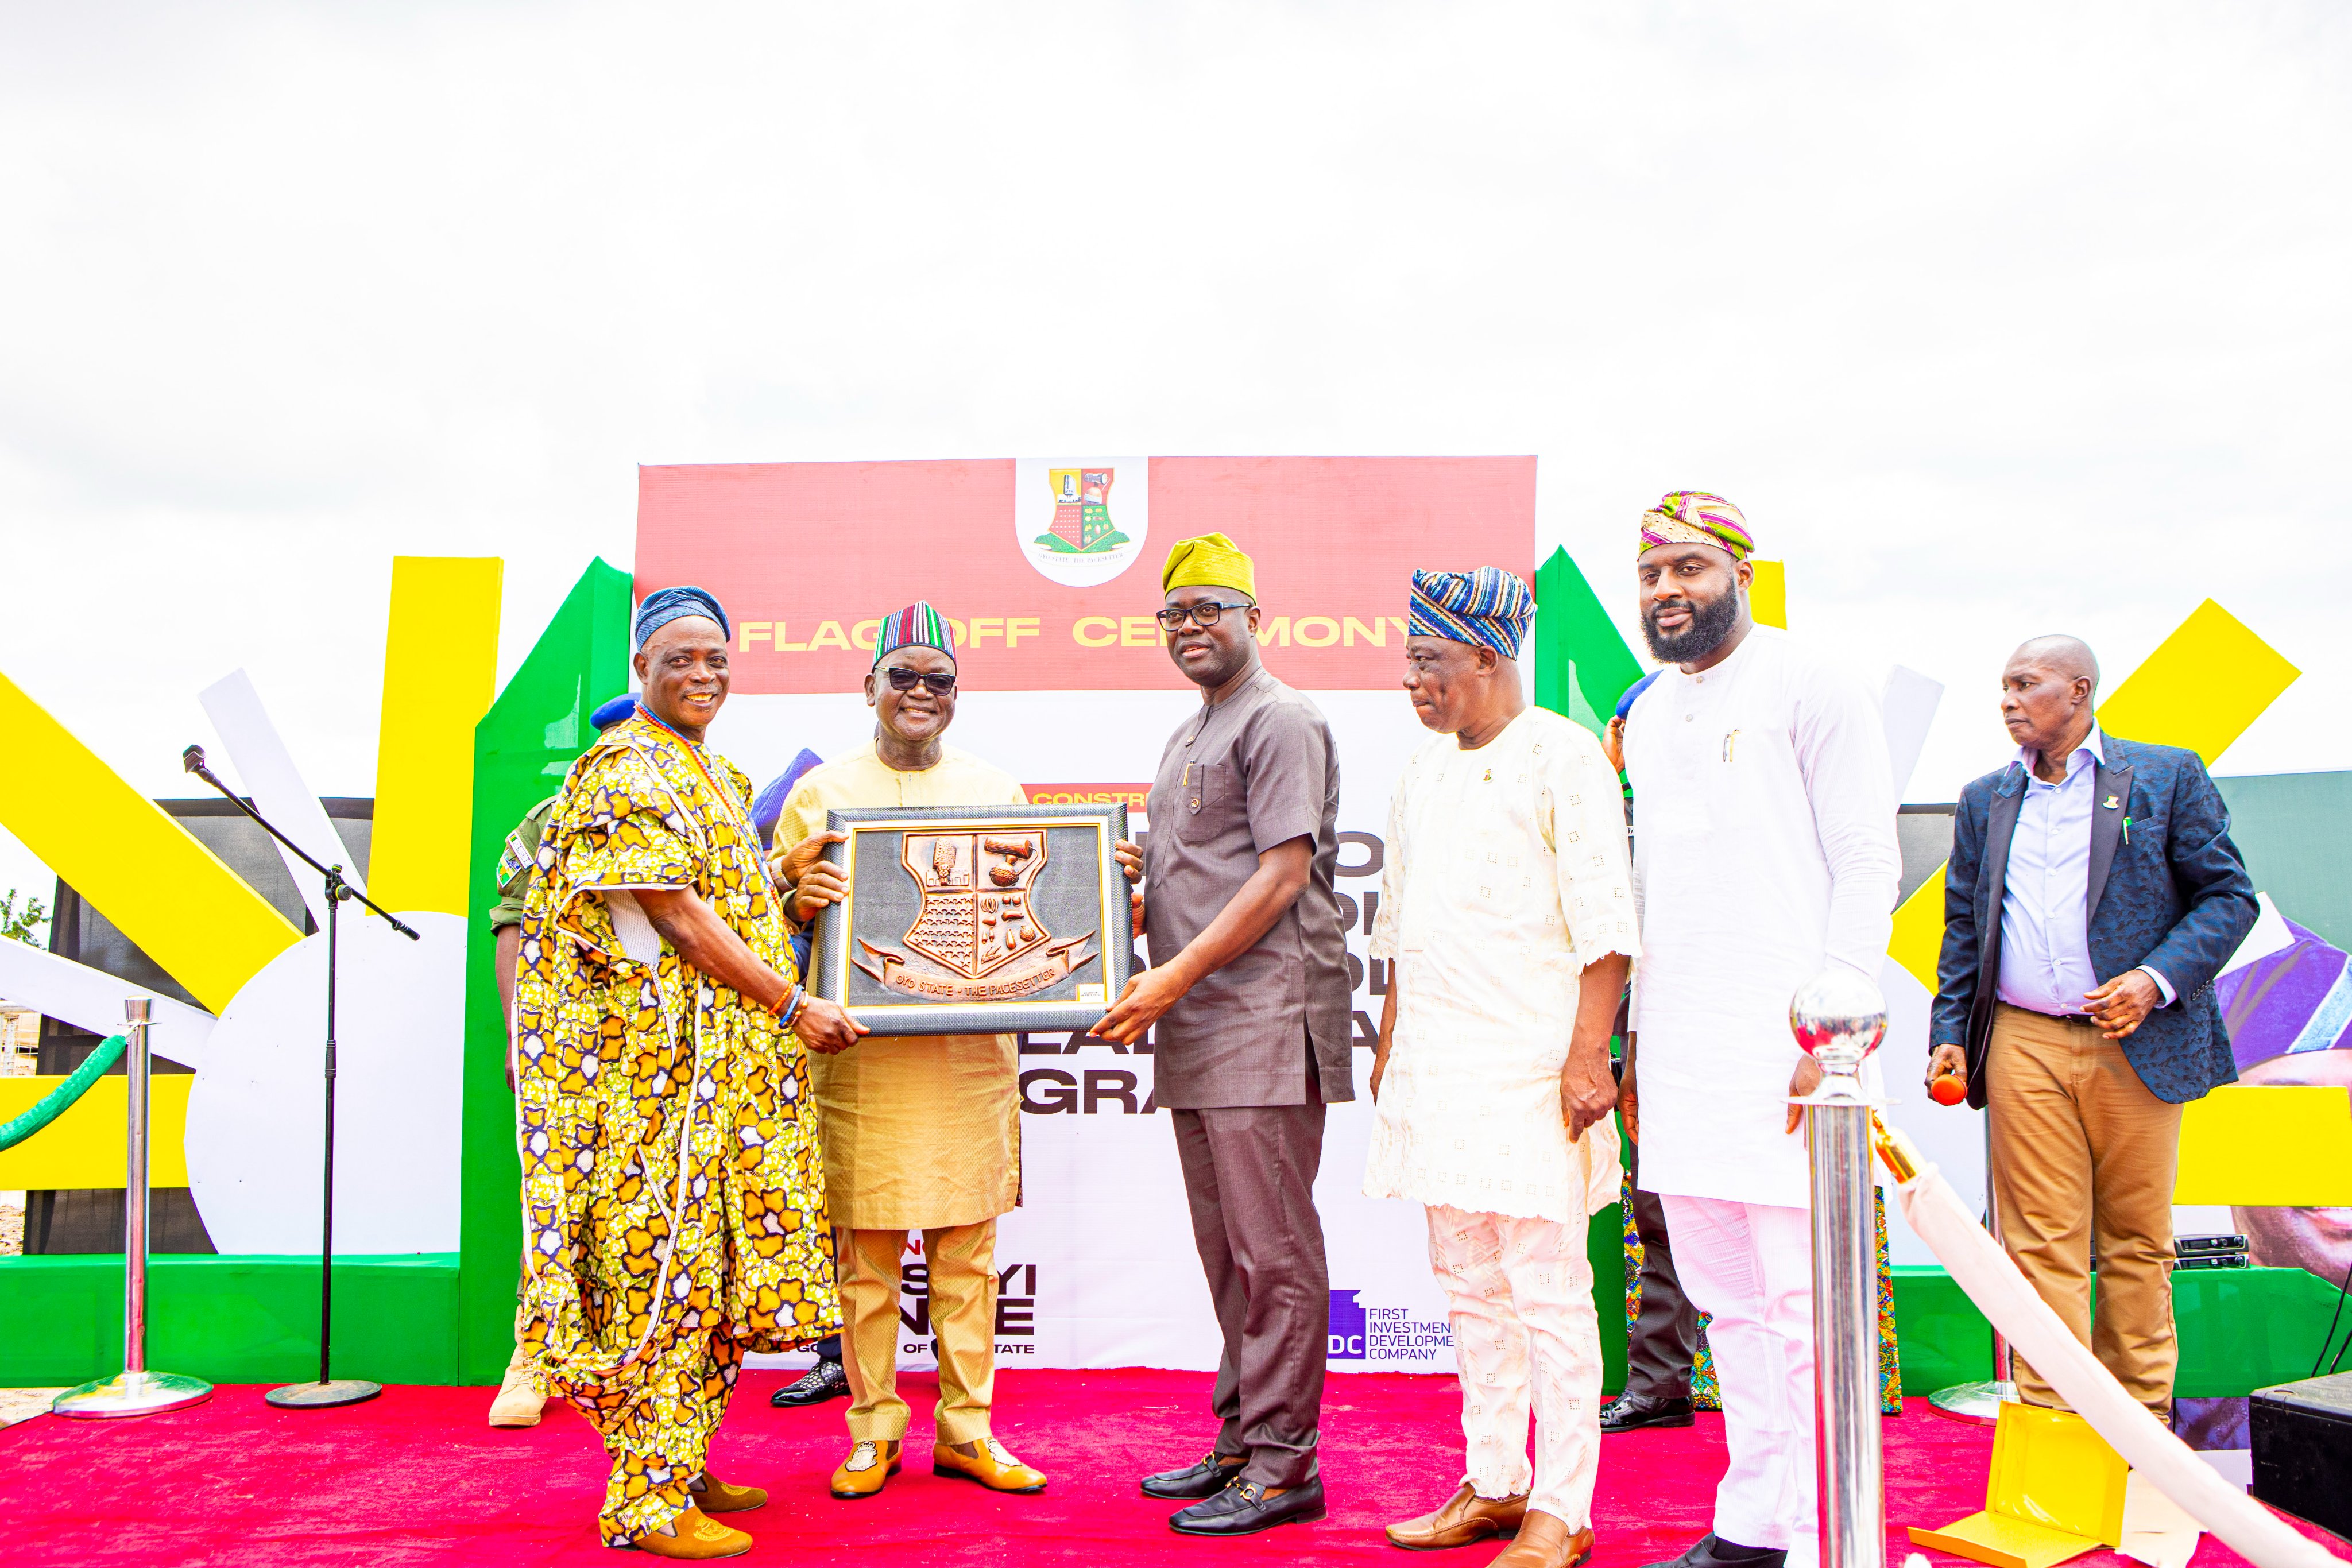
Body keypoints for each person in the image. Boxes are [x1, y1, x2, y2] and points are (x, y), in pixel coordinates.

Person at [515, 586, 865, 1560]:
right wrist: (794, 1004)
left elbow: (730, 900)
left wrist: (784, 877)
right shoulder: (629, 768)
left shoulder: (707, 770)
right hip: (655, 1095)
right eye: (679, 658)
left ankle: (684, 1458)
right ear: (641, 669)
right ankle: (642, 1501)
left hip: (723, 1086)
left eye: (715, 656)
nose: (701, 673)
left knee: (708, 1281)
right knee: (659, 1280)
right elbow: (674, 915)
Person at [1617, 493, 1901, 1568]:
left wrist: (1831, 1018)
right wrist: (1639, 1055)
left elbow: (1866, 857)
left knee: (1804, 1309)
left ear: (1738, 570)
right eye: (1649, 576)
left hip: (1795, 1058)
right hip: (1684, 1056)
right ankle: (1755, 1522)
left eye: (1687, 568)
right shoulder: (1647, 713)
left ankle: (1837, 1536)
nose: (1666, 592)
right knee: (1726, 1308)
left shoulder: (1808, 682)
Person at [1363, 567, 1638, 1568]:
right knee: (1468, 1285)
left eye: (1428, 663)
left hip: (1531, 1072)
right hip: (1439, 1072)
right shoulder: (1421, 770)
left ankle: (1563, 1507)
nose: (1412, 683)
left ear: (1488, 657)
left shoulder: (1563, 757)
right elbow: (1397, 931)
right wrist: (1392, 1055)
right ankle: (1495, 1482)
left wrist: (1586, 1056)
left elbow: (1608, 925)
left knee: (1549, 1293)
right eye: (1409, 663)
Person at [1094, 532, 1352, 1539]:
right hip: (1197, 1020)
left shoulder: (1280, 718)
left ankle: (1288, 1466)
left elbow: (1282, 875)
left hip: (1262, 1014)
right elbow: (1199, 869)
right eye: (1177, 615)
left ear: (1256, 618)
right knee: (1230, 1252)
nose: (1193, 628)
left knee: (1274, 1250)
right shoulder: (1188, 732)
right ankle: (1244, 1438)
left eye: (1213, 609)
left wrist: (1170, 978)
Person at [1927, 636, 2257, 1419]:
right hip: (2022, 1039)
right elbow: (1967, 924)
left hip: (2135, 1035)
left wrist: (2153, 979)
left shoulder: (2166, 775)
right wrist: (1948, 1026)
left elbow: (2228, 898)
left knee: (2138, 1241)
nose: (2007, 700)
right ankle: (2057, 1426)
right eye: (2002, 686)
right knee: (2040, 1245)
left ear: (2078, 690)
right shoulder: (1984, 798)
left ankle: (2141, 1426)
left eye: (2024, 684)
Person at [772, 601, 1049, 1500]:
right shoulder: (821, 794)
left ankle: (970, 1430)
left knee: (968, 1255)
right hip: (863, 1057)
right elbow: (766, 939)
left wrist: (1097, 895)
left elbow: (1042, 915)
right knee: (868, 1256)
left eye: (938, 679)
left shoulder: (998, 788)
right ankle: (874, 1431)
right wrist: (794, 898)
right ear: (869, 688)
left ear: (957, 695)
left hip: (967, 1058)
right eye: (904, 677)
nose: (919, 692)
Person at [486, 692, 638, 1429]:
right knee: (555, 1201)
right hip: (568, 1043)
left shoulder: (694, 810)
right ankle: (535, 1353)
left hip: (661, 1045)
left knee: (647, 1207)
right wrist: (520, 1032)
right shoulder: (550, 823)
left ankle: (630, 1356)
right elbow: (511, 927)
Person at [1598, 672, 1701, 1435]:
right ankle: (1660, 1380)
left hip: (1719, 1036)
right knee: (1656, 1209)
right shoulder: (1597, 818)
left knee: (1729, 1215)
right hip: (1635, 1040)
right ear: (1617, 737)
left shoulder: (1711, 813)